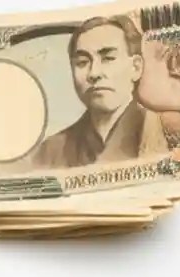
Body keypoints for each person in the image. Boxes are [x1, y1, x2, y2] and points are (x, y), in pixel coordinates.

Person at [30, 16, 169, 169]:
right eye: (82, 62)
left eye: (108, 58)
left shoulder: (167, 132)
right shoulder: (50, 152)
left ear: (136, 68)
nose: (94, 73)